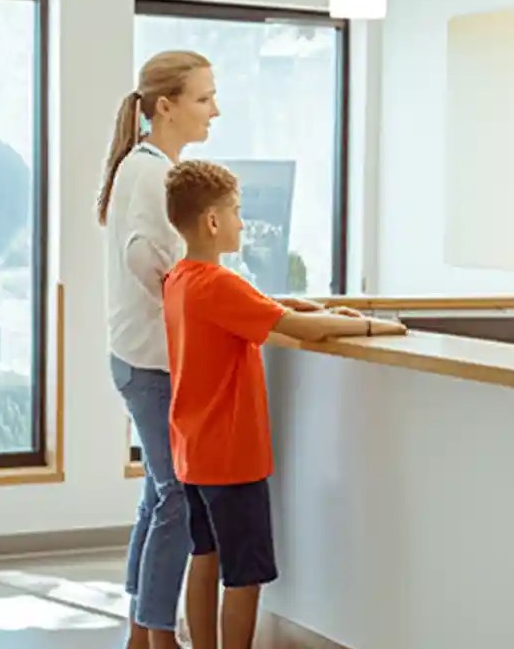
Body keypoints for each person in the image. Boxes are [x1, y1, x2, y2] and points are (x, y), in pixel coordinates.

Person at [99, 50, 326, 649]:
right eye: (204, 99)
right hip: (149, 360)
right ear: (166, 107)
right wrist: (194, 303)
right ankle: (153, 635)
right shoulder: (151, 172)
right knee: (174, 499)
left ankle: (142, 630)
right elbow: (151, 259)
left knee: (159, 495)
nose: (214, 111)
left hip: (138, 354)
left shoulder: (143, 165)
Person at [161, 160, 406, 649]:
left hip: (193, 450)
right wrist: (377, 326)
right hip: (232, 457)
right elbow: (302, 330)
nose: (242, 222)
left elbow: (265, 308)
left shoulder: (182, 279)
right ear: (212, 221)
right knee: (244, 574)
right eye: (235, 211)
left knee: (204, 555)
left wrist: (299, 306)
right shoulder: (218, 284)